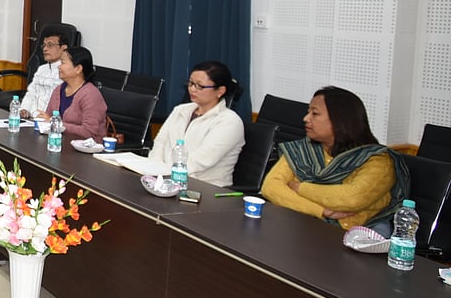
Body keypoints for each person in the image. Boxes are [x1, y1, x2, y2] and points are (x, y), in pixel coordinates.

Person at [261, 86, 410, 233]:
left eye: (315, 113)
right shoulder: (304, 150)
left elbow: (351, 199)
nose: (306, 119)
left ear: (339, 120)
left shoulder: (378, 160)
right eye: (308, 112)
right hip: (303, 227)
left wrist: (299, 187)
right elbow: (270, 187)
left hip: (355, 237)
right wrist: (321, 210)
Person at [147, 61, 246, 187]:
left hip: (205, 188)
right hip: (165, 179)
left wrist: (164, 173)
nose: (192, 89)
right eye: (191, 83)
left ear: (220, 91)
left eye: (200, 86)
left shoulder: (230, 122)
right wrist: (152, 171)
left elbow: (200, 161)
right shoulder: (181, 110)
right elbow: (160, 142)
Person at [34, 46, 107, 143]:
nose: (59, 66)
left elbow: (89, 132)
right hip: (59, 144)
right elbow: (49, 118)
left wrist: (57, 124)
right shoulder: (59, 90)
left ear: (78, 69)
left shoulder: (90, 94)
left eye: (63, 62)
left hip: (86, 151)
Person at [18, 32, 66, 119]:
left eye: (50, 45)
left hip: (47, 120)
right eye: (44, 46)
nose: (45, 49)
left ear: (63, 48)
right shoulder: (42, 69)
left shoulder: (65, 72)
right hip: (30, 118)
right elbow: (31, 93)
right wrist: (24, 109)